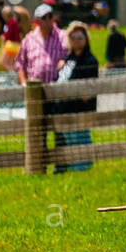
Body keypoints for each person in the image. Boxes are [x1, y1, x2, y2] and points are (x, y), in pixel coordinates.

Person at [52, 21, 100, 173]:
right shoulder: (67, 60)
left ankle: (82, 170)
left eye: (80, 36)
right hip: (63, 109)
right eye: (73, 37)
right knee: (69, 141)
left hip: (79, 109)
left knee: (80, 139)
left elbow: (87, 91)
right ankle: (71, 169)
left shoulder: (90, 61)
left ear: (86, 38)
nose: (76, 40)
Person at [15, 4, 65, 85]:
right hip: (34, 88)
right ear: (37, 21)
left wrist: (64, 61)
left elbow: (73, 57)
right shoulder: (29, 39)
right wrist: (23, 82)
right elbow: (20, 63)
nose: (48, 19)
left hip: (58, 86)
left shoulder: (63, 36)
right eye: (44, 17)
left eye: (50, 16)